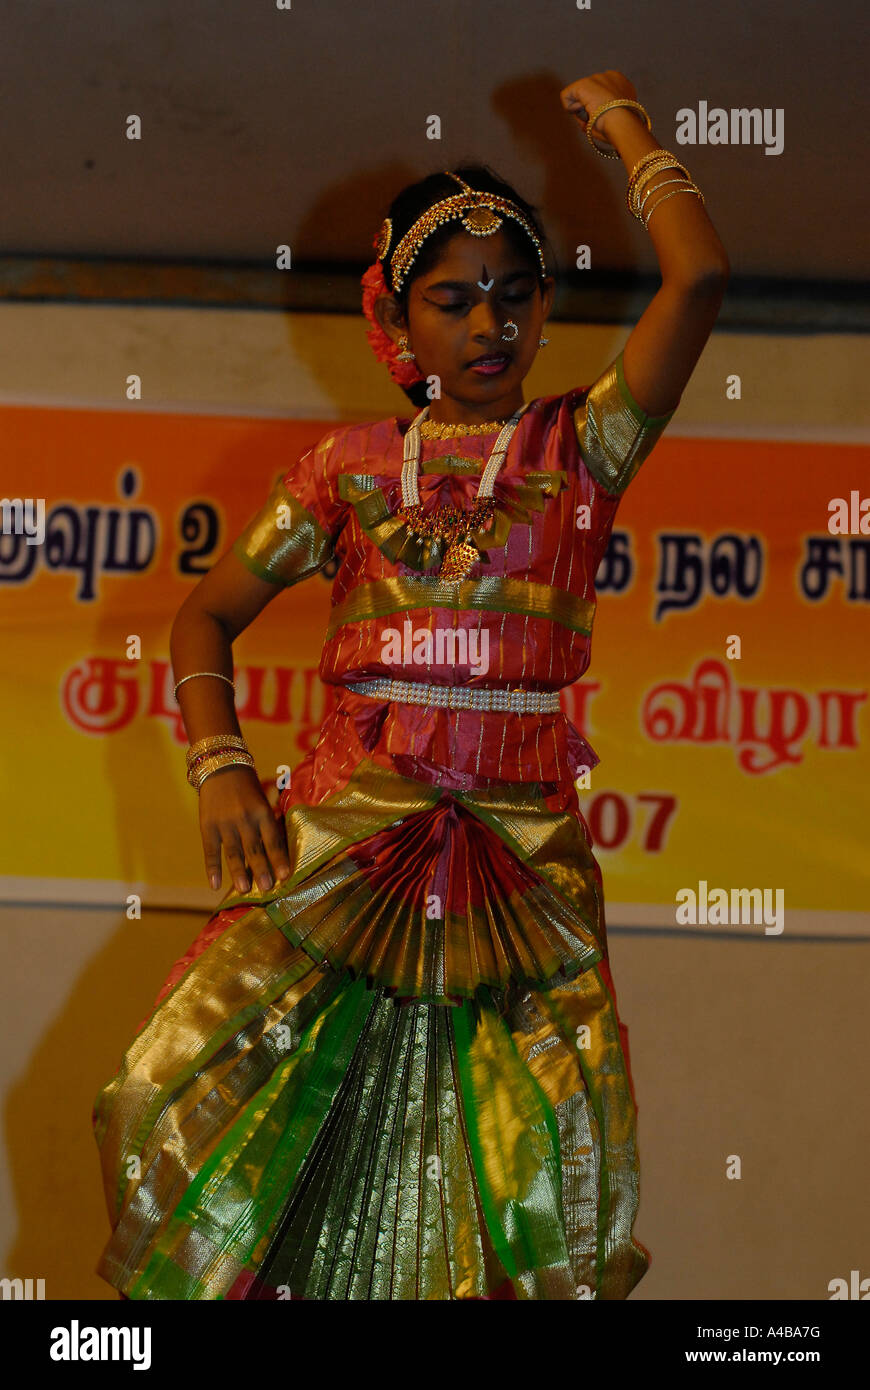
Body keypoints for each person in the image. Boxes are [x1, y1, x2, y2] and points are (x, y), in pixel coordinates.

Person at [93, 70, 728, 1300]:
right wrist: (222, 768)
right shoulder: (346, 470)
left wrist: (624, 131)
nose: (489, 322)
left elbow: (697, 281)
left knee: (543, 1201)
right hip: (342, 847)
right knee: (156, 1099)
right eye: (455, 299)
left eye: (515, 295)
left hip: (518, 876)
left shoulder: (580, 450)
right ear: (399, 320)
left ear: (544, 313)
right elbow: (206, 613)